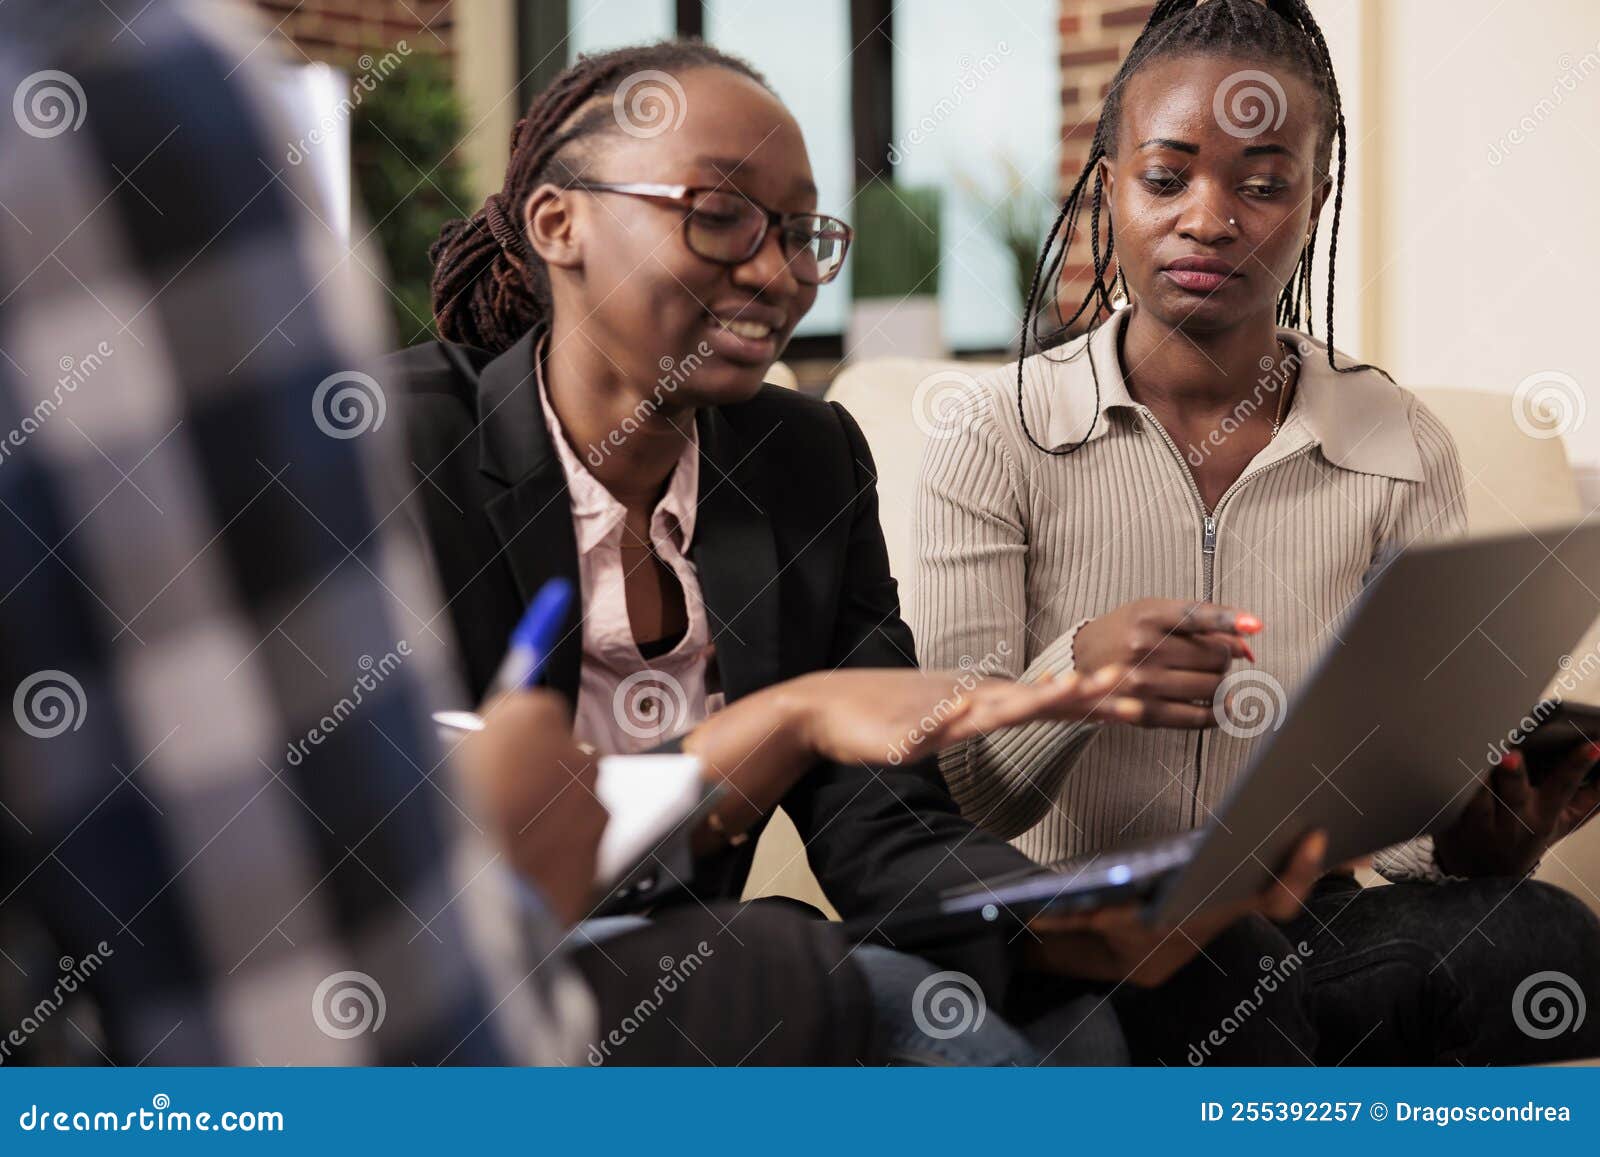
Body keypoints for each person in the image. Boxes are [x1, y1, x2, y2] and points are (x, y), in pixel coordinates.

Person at [392, 38, 1327, 1064]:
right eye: (718, 214)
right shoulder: (388, 451)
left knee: (1128, 998)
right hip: (438, 984)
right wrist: (784, 720)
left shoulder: (804, 460)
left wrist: (1060, 915)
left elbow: (881, 825)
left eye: (799, 233)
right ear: (557, 223)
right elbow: (405, 840)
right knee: (859, 994)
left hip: (704, 971)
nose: (774, 270)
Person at [913, 0, 1600, 1064]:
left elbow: (1401, 796)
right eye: (1166, 176)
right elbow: (955, 793)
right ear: (1108, 187)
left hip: (1306, 921)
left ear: (1314, 201)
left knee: (1546, 937)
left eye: (1263, 183)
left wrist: (1470, 846)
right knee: (1210, 975)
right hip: (1063, 930)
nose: (1210, 217)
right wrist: (1077, 672)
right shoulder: (997, 436)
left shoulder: (1398, 445)